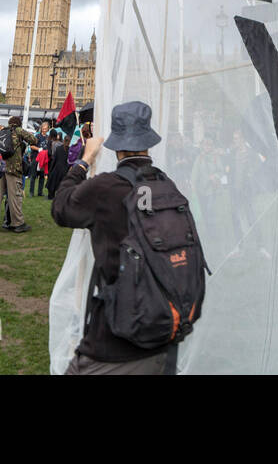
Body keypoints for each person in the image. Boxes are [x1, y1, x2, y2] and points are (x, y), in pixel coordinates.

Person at [52, 101, 191, 374]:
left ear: (116, 145)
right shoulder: (167, 186)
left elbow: (60, 207)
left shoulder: (106, 188)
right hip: (164, 333)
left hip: (116, 340)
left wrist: (84, 161)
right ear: (148, 142)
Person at [0, 116, 34, 232]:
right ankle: (17, 223)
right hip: (13, 168)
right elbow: (33, 139)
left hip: (0, 168)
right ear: (18, 124)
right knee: (14, 197)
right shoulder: (18, 131)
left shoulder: (2, 132)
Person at [47, 128, 70, 199]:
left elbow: (54, 159)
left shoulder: (59, 149)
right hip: (65, 169)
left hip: (57, 168)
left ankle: (51, 196)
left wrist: (50, 169)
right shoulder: (69, 149)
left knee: (53, 183)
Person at [31, 132, 50, 198]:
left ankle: (40, 192)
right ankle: (31, 192)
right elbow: (31, 146)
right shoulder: (37, 136)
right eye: (43, 128)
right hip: (36, 158)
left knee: (42, 176)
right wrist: (38, 149)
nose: (44, 130)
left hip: (44, 159)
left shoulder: (48, 137)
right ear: (41, 128)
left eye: (46, 128)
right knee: (33, 176)